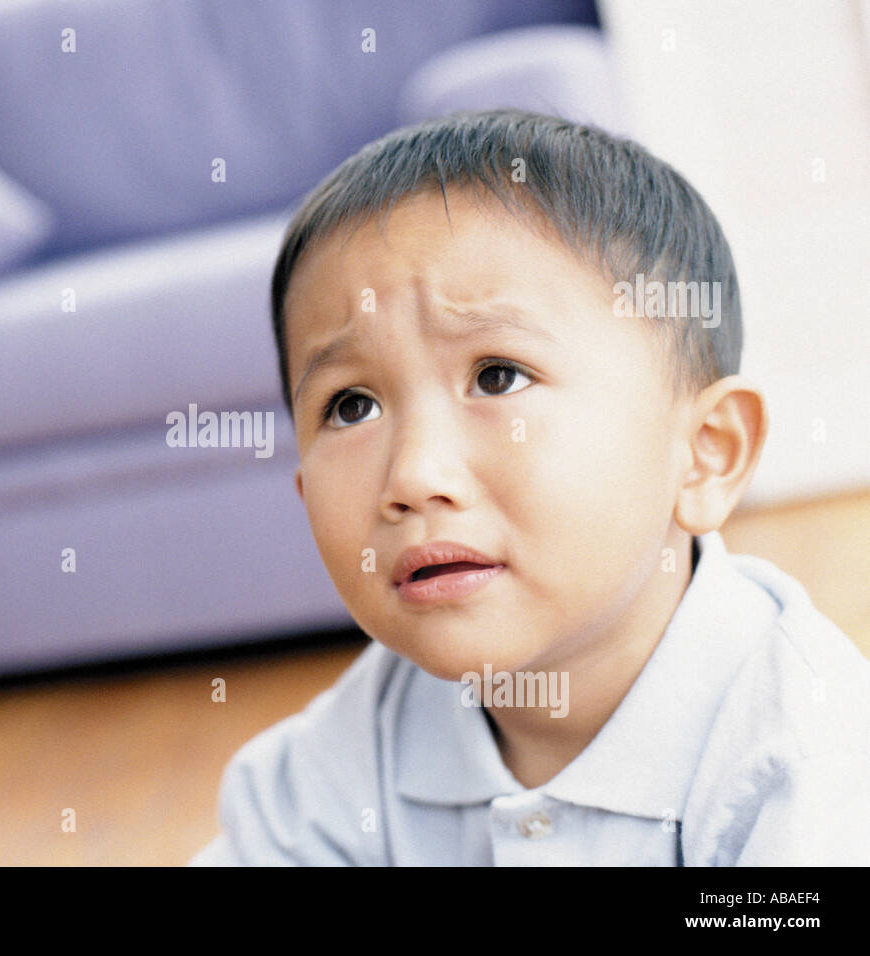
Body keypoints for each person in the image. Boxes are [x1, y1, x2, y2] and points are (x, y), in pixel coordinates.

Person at [191, 109, 870, 865]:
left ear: (705, 453)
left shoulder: (810, 764)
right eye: (352, 406)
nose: (414, 476)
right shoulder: (354, 751)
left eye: (498, 376)